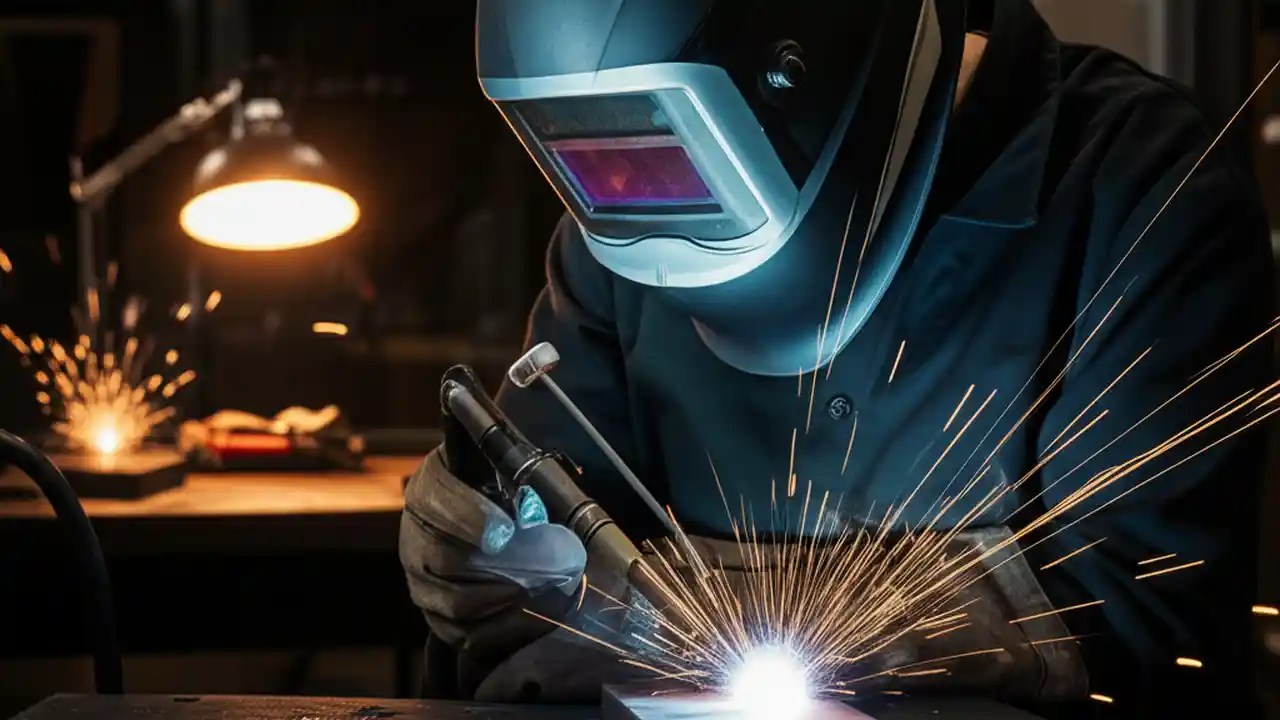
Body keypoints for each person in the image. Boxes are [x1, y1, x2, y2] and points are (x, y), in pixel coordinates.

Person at [400, 0, 1274, 717]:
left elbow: (1137, 614)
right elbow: (542, 581)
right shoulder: (617, 221)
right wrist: (485, 561)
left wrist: (684, 611)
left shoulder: (1140, 187)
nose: (642, 198)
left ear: (799, 67)